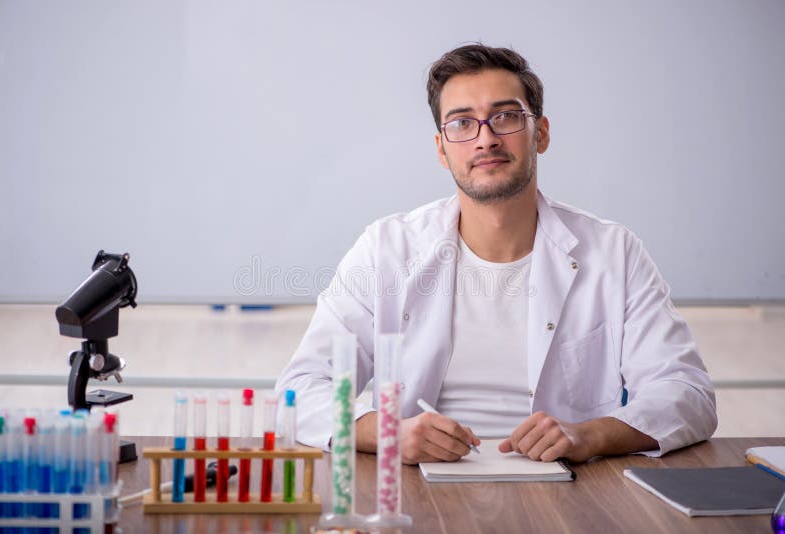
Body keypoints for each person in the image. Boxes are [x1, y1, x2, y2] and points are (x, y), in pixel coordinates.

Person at [275, 43, 717, 464]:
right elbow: (301, 388)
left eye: (505, 117)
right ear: (442, 150)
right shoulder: (386, 249)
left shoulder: (614, 252)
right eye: (462, 123)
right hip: (419, 488)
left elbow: (687, 392)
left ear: (541, 134)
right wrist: (390, 432)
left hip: (571, 488)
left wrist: (590, 435)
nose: (485, 139)